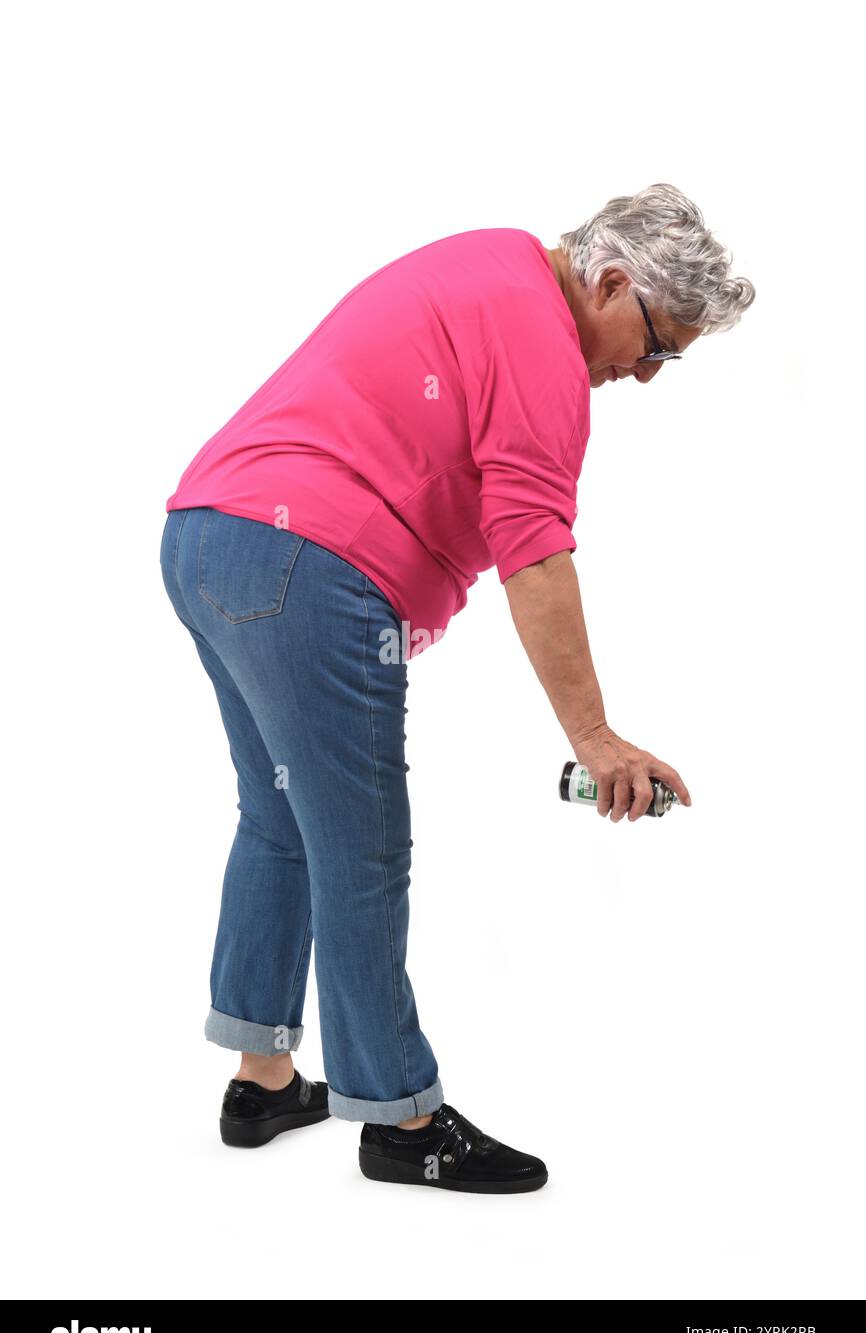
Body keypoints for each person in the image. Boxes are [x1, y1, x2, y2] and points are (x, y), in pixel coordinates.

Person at [160, 183, 755, 1195]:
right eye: (655, 344)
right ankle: (401, 1119)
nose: (647, 376)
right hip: (305, 560)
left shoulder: (494, 264)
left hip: (208, 530)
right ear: (609, 282)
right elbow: (534, 550)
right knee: (360, 843)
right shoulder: (544, 349)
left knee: (280, 815)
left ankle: (262, 1078)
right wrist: (595, 736)